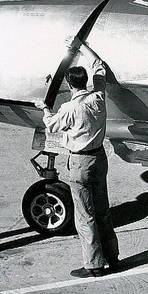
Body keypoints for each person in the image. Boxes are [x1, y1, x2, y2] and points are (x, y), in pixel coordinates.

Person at [35, 42, 119, 278]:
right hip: (99, 158)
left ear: (70, 84)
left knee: (85, 215)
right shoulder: (98, 98)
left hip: (80, 163)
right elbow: (99, 66)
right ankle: (112, 256)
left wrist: (44, 109)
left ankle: (93, 264)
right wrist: (82, 46)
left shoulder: (69, 108)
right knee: (102, 210)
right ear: (85, 81)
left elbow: (51, 125)